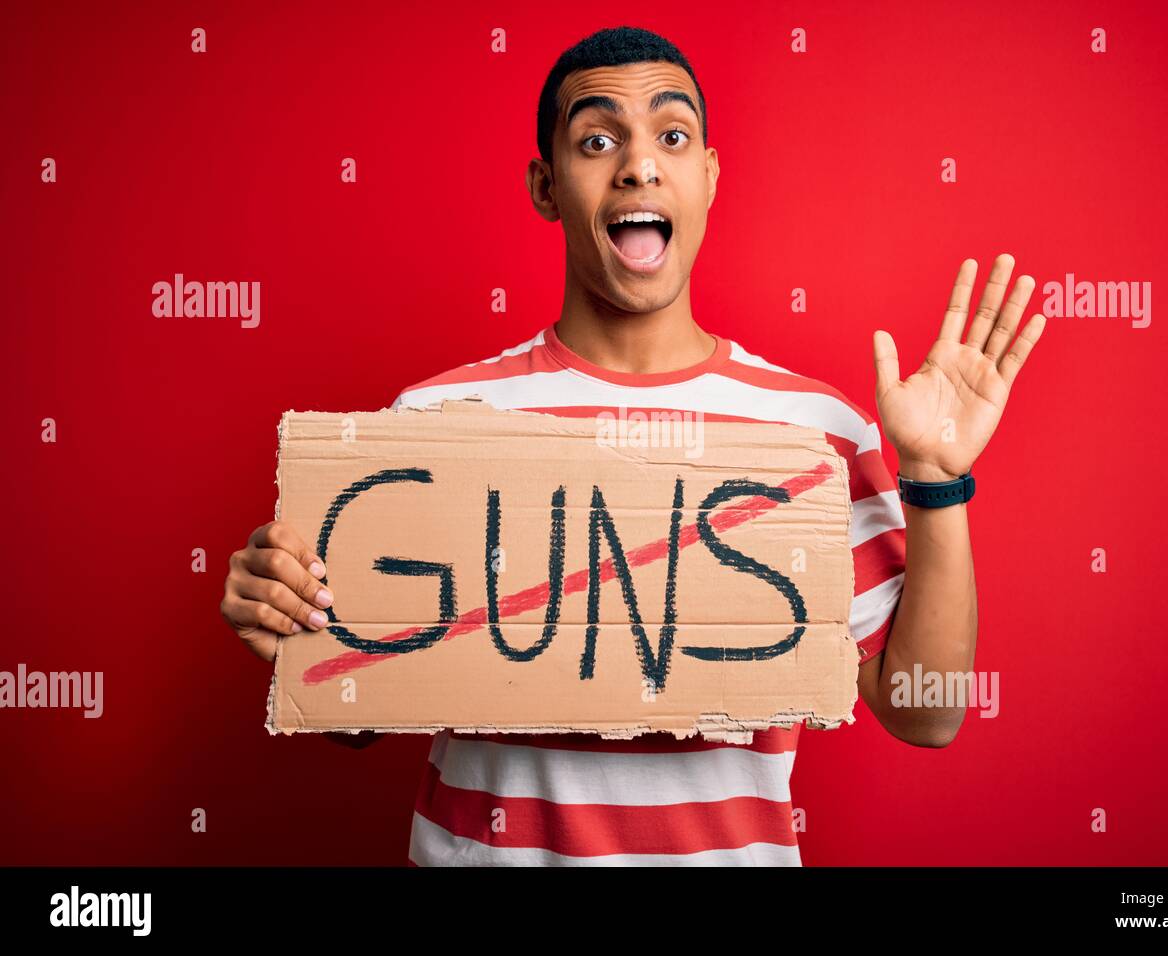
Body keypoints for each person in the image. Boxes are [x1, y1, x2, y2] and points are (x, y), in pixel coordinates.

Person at [219, 25, 1045, 865]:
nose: (639, 165)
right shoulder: (439, 418)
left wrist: (936, 481)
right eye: (598, 139)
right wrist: (294, 618)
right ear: (547, 185)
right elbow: (360, 716)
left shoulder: (812, 434)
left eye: (672, 136)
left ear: (709, 178)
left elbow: (926, 711)